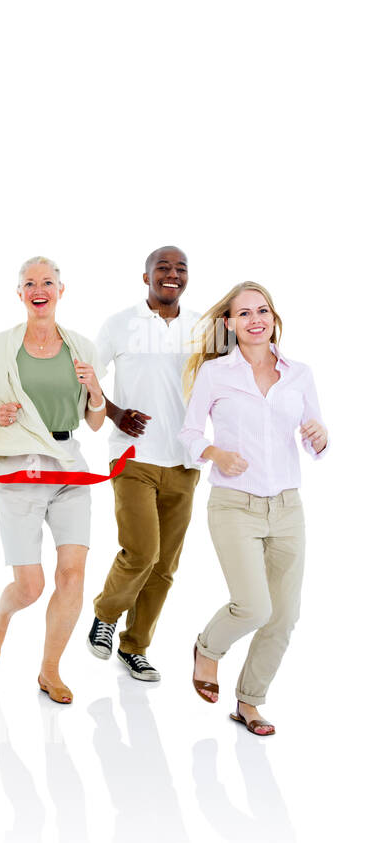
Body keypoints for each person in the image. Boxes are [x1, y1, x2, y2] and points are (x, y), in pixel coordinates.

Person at [180, 282, 326, 736]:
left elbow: (315, 437)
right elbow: (188, 436)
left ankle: (250, 702)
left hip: (287, 507)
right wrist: (216, 454)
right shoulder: (216, 374)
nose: (255, 319)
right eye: (244, 314)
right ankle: (208, 649)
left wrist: (320, 438)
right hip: (234, 506)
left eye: (262, 310)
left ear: (273, 317)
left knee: (284, 616)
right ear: (229, 323)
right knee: (253, 606)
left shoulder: (299, 374)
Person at [0, 257, 108, 704]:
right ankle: (0, 616)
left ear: (61, 290)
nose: (38, 289)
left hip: (69, 465)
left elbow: (97, 421)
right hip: (19, 469)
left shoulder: (83, 348)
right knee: (31, 586)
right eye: (30, 283)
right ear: (20, 293)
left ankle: (50, 670)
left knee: (72, 574)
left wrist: (96, 392)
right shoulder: (0, 345)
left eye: (47, 282)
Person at [87, 246, 200, 681]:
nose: (172, 275)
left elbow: (233, 377)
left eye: (180, 269)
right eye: (163, 268)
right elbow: (87, 380)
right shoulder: (120, 324)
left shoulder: (205, 327)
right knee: (142, 551)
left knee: (166, 565)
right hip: (132, 456)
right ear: (146, 276)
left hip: (185, 461)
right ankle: (105, 614)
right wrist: (116, 413)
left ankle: (135, 647)